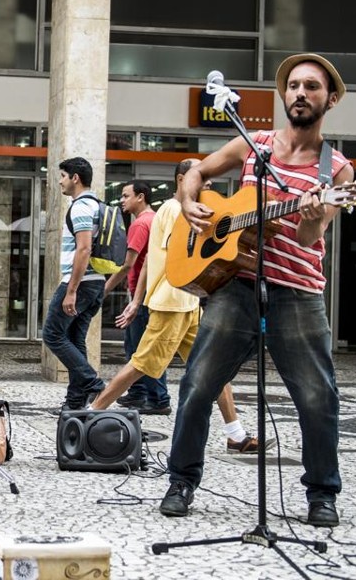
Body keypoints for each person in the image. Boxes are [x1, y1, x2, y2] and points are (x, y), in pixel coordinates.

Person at [160, 53, 352, 528]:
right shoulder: (256, 145)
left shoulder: (337, 169)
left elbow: (310, 238)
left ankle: (321, 493)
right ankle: (181, 481)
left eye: (311, 86)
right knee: (198, 384)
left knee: (317, 396)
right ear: (284, 95)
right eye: (293, 86)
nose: (300, 93)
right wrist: (188, 203)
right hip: (235, 285)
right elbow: (197, 173)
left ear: (330, 99)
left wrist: (310, 217)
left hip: (298, 292)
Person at [88, 163, 266, 454]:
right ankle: (91, 414)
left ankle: (236, 434)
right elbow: (188, 251)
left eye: (207, 182)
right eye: (202, 180)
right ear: (182, 179)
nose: (206, 187)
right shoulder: (173, 210)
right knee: (142, 364)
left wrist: (137, 298)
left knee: (214, 367)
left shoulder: (178, 210)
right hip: (172, 302)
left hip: (188, 302)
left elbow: (149, 260)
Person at [42, 157, 106, 412]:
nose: (59, 181)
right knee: (74, 339)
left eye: (62, 176)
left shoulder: (80, 207)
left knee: (53, 334)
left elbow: (84, 248)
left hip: (80, 282)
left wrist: (71, 290)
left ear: (75, 178)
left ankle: (92, 382)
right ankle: (75, 402)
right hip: (95, 282)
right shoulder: (98, 206)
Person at [104, 180, 168, 414]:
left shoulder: (141, 224)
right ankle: (138, 393)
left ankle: (159, 398)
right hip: (153, 292)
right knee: (136, 345)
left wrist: (106, 289)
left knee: (143, 349)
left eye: (125, 195)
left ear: (140, 197)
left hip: (142, 296)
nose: (121, 200)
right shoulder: (157, 219)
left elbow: (128, 264)